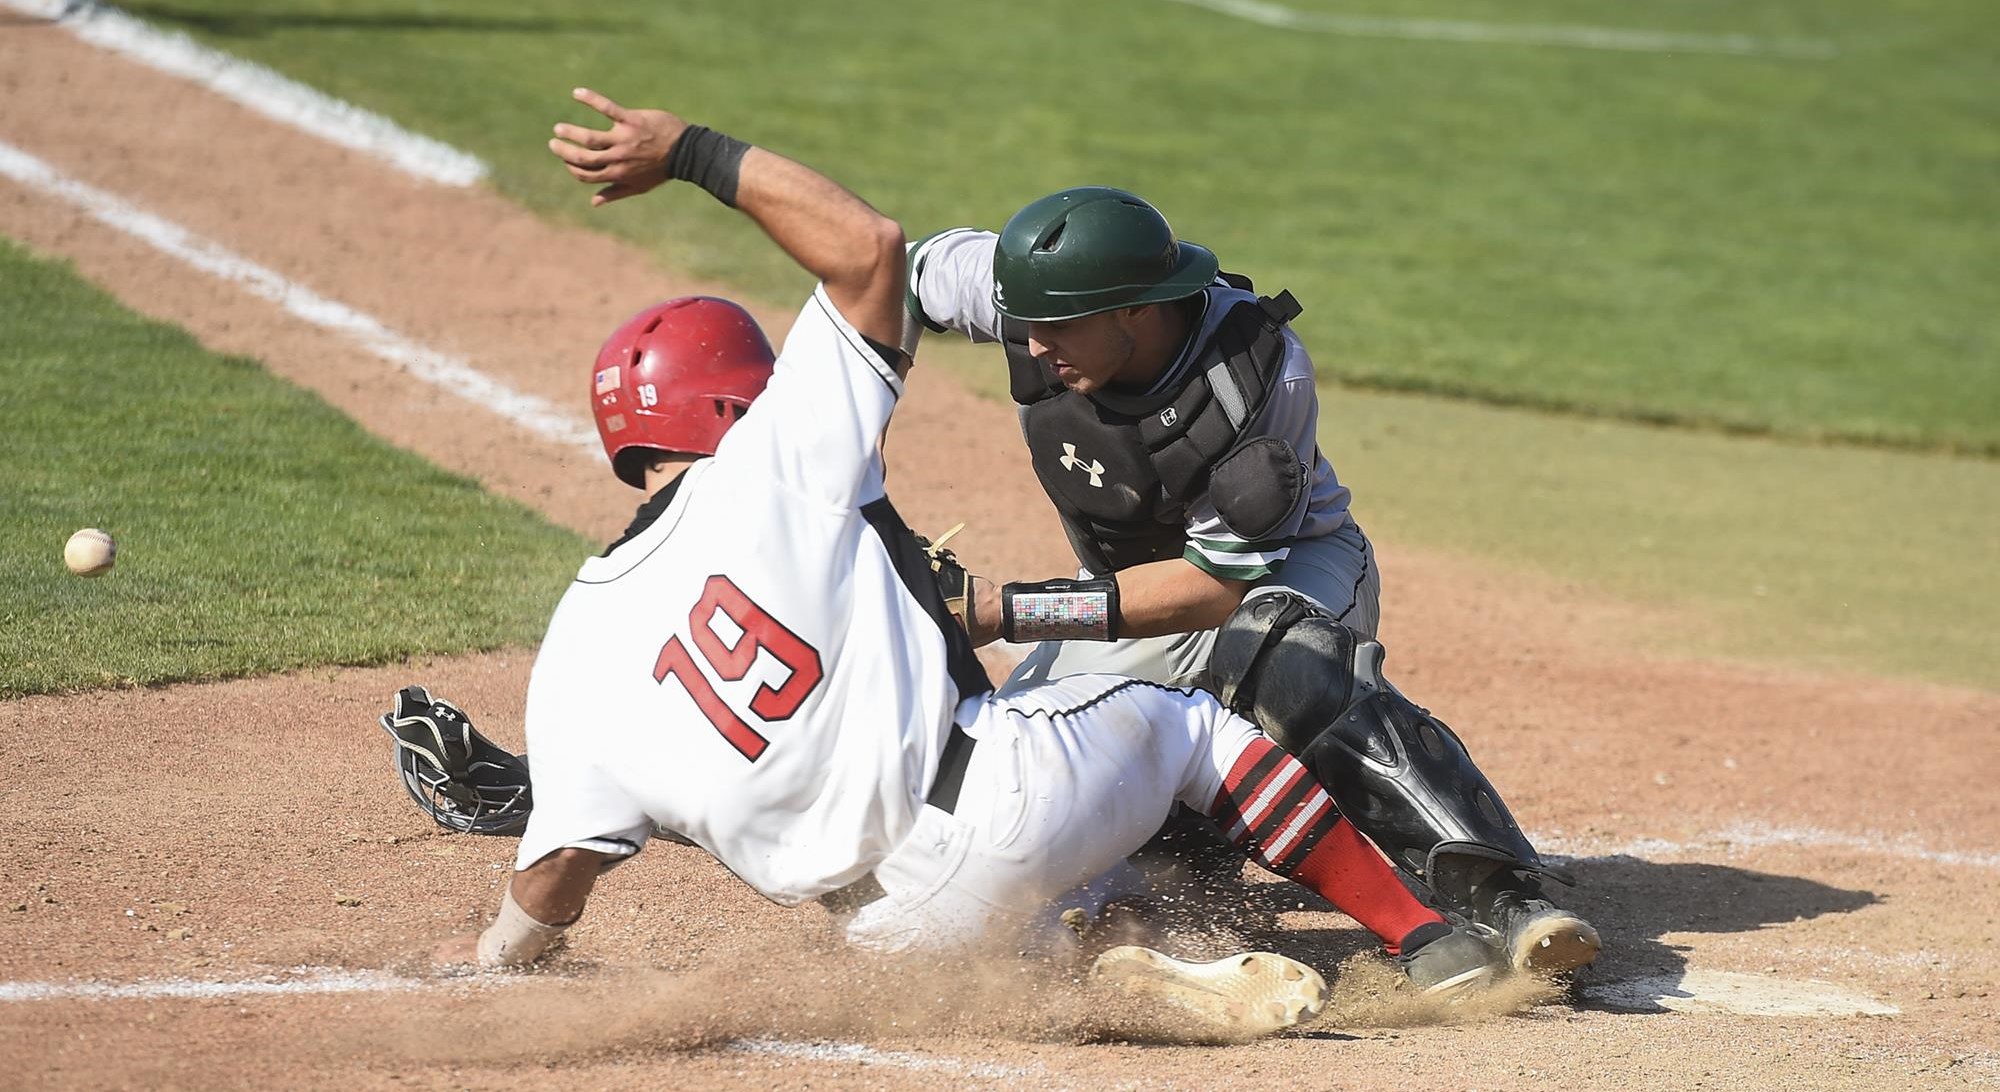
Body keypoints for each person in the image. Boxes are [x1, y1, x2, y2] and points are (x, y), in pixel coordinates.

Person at [420, 89, 1514, 1036]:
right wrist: (690, 152)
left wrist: (499, 956)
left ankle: (1112, 939)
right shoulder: (777, 469)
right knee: (1187, 735)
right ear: (739, 403)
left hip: (895, 932)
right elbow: (869, 252)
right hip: (999, 802)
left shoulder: (577, 643)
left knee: (1089, 849)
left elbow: (551, 883)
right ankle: (1426, 937)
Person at [899, 189, 1602, 976]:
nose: (1034, 344)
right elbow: (889, 271)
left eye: (1058, 327)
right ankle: (1183, 866)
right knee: (1030, 760)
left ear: (1134, 308)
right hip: (1128, 586)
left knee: (1280, 657)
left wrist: (1008, 611)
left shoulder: (1251, 371)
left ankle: (1504, 901)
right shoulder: (1033, 300)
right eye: (1024, 321)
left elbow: (1214, 589)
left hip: (1287, 570)